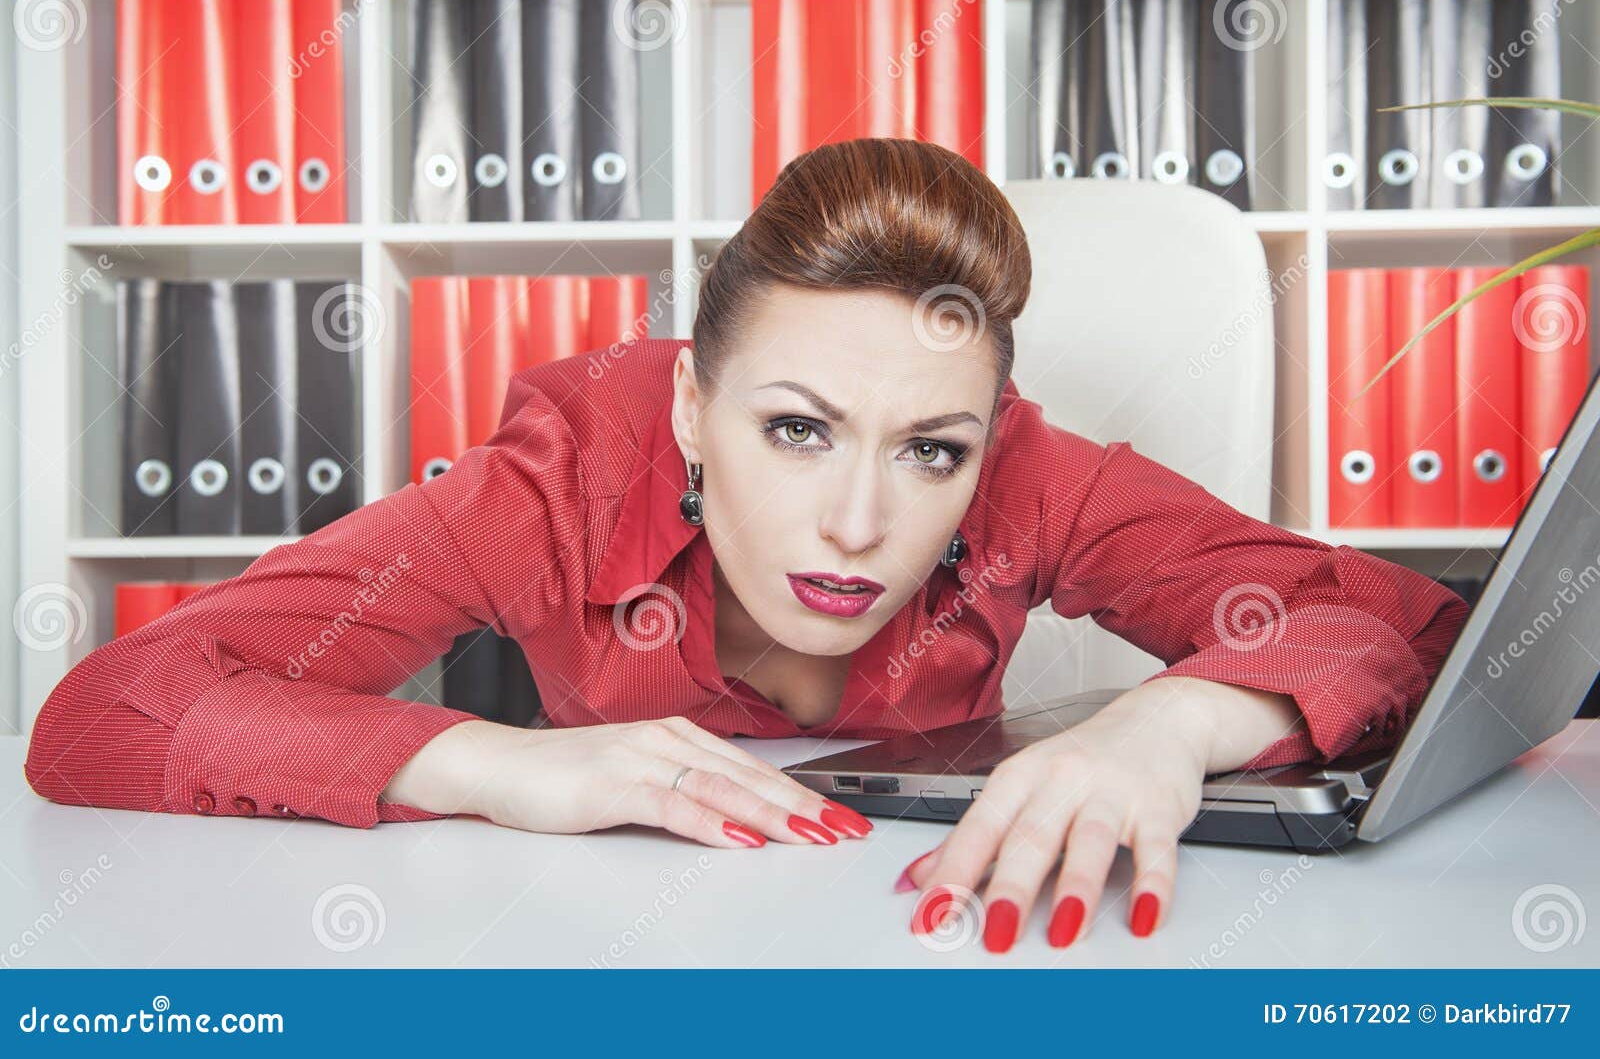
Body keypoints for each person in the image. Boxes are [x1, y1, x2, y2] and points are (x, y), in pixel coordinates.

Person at [23, 138, 1468, 954]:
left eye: (930, 452)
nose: (860, 524)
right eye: (796, 429)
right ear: (691, 408)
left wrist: (1171, 720)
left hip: (933, 958)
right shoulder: (556, 484)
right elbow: (106, 713)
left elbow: (1404, 625)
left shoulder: (1027, 475)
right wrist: (492, 760)